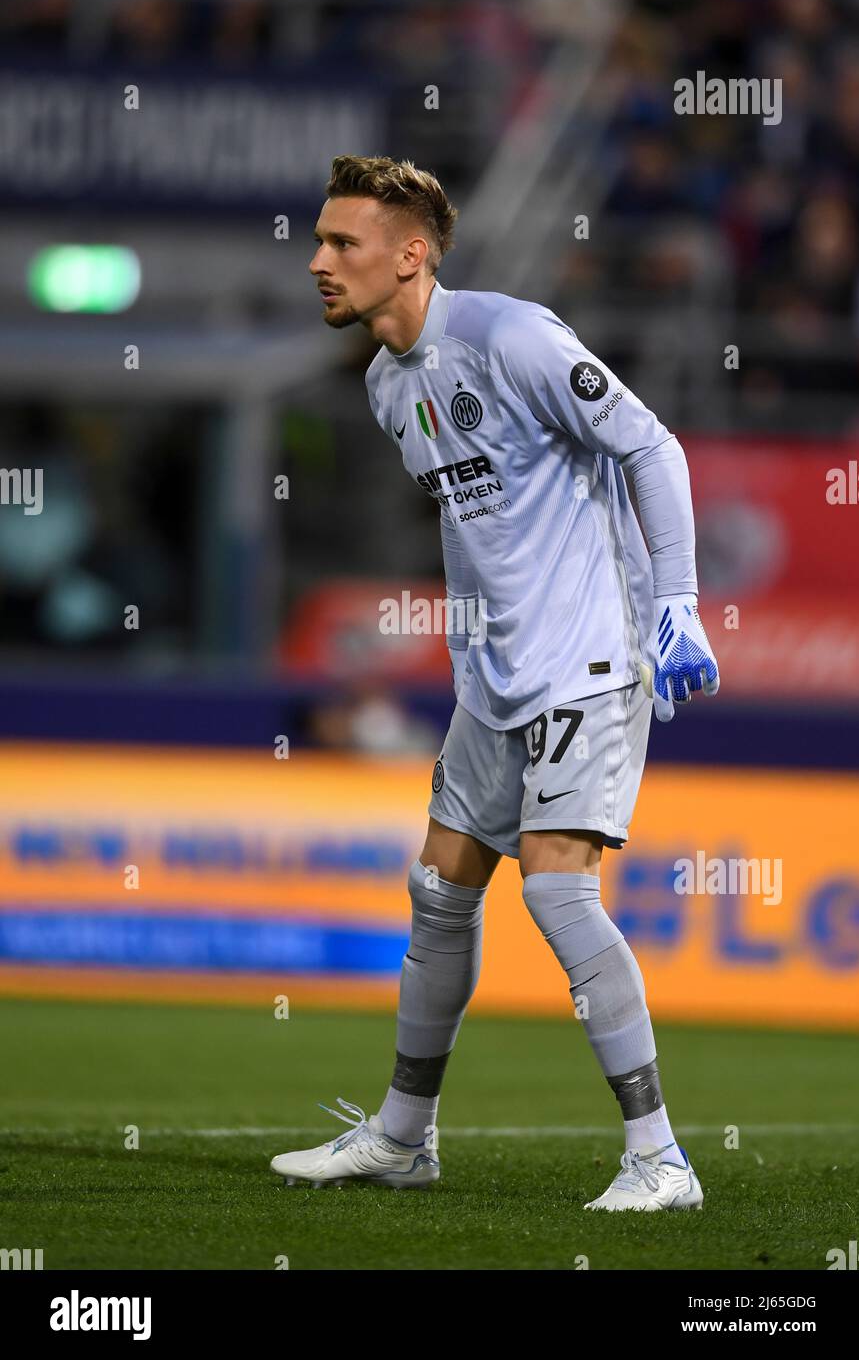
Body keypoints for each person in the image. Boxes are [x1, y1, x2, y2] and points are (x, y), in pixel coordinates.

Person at [270, 154, 720, 1211]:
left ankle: (659, 1158)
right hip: (493, 682)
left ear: (410, 255)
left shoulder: (508, 336)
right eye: (320, 240)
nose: (319, 261)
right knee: (436, 895)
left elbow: (650, 448)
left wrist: (678, 603)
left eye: (343, 243)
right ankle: (401, 1138)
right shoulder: (387, 385)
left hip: (587, 659)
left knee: (558, 890)